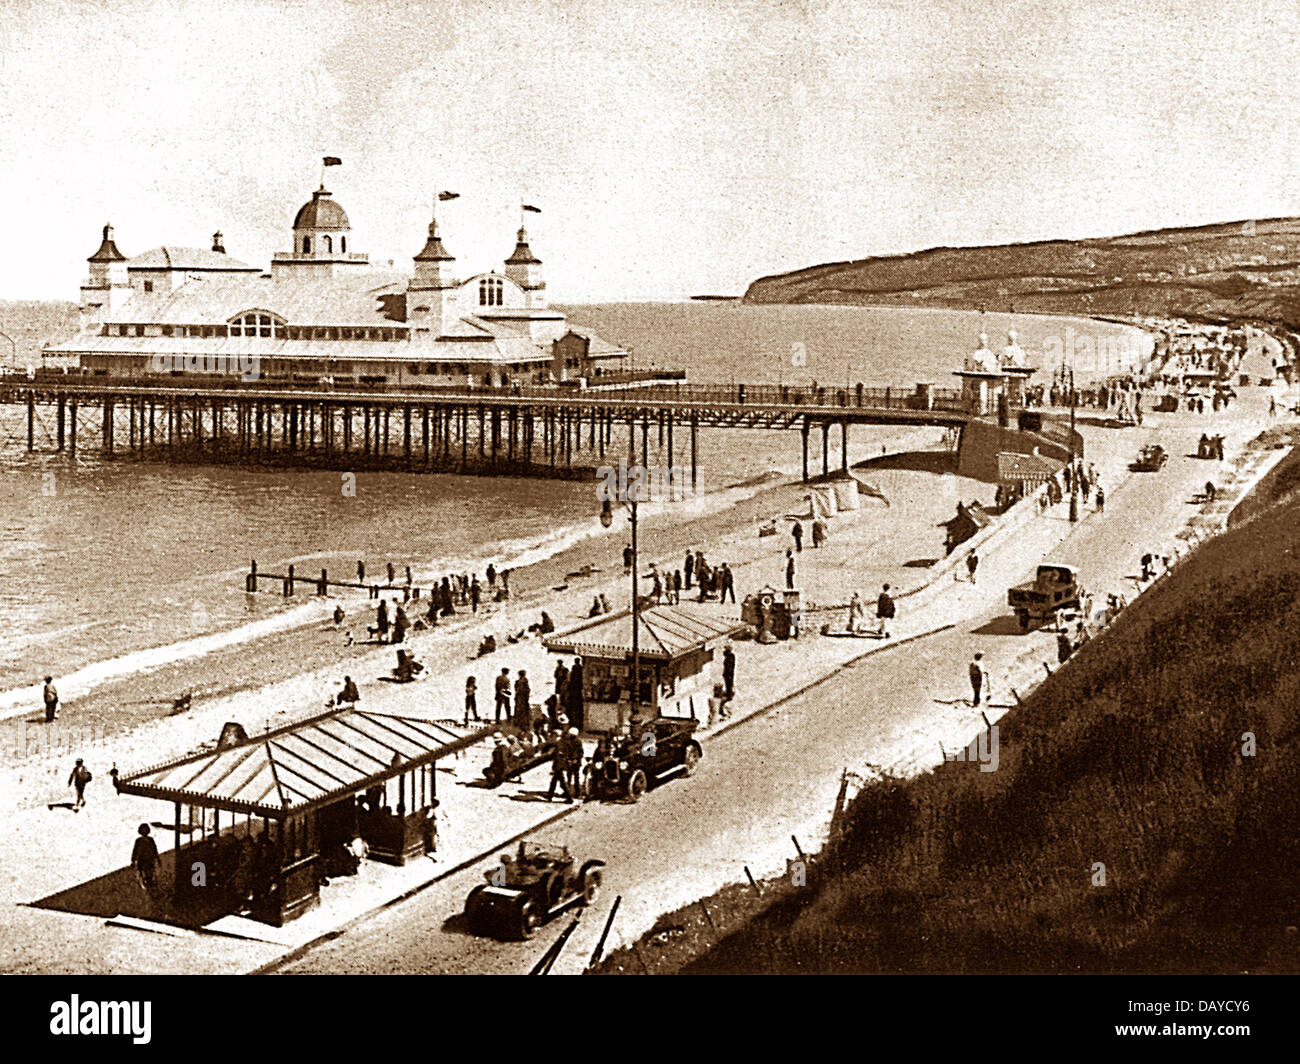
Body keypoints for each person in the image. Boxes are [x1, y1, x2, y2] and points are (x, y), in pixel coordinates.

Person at [131, 824, 160, 893]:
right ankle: (144, 883)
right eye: (143, 830)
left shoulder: (150, 839)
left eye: (145, 829)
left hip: (150, 858)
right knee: (143, 872)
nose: (144, 831)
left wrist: (157, 858)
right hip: (142, 859)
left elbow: (155, 849)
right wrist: (133, 859)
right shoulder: (138, 840)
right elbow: (135, 850)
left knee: (150, 871)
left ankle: (151, 882)